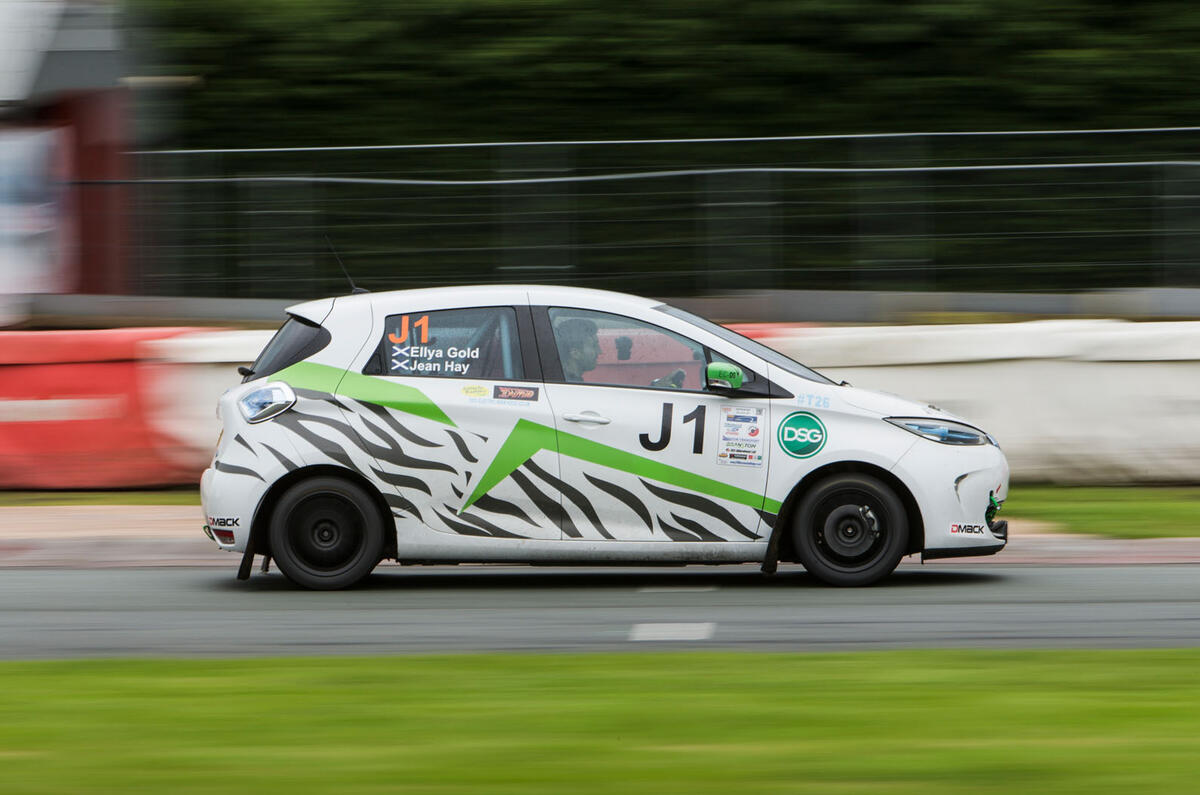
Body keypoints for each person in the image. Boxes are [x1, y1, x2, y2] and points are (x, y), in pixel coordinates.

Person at [556, 317, 601, 382]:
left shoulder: (562, 380)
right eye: (594, 346)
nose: (600, 352)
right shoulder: (567, 385)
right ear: (575, 353)